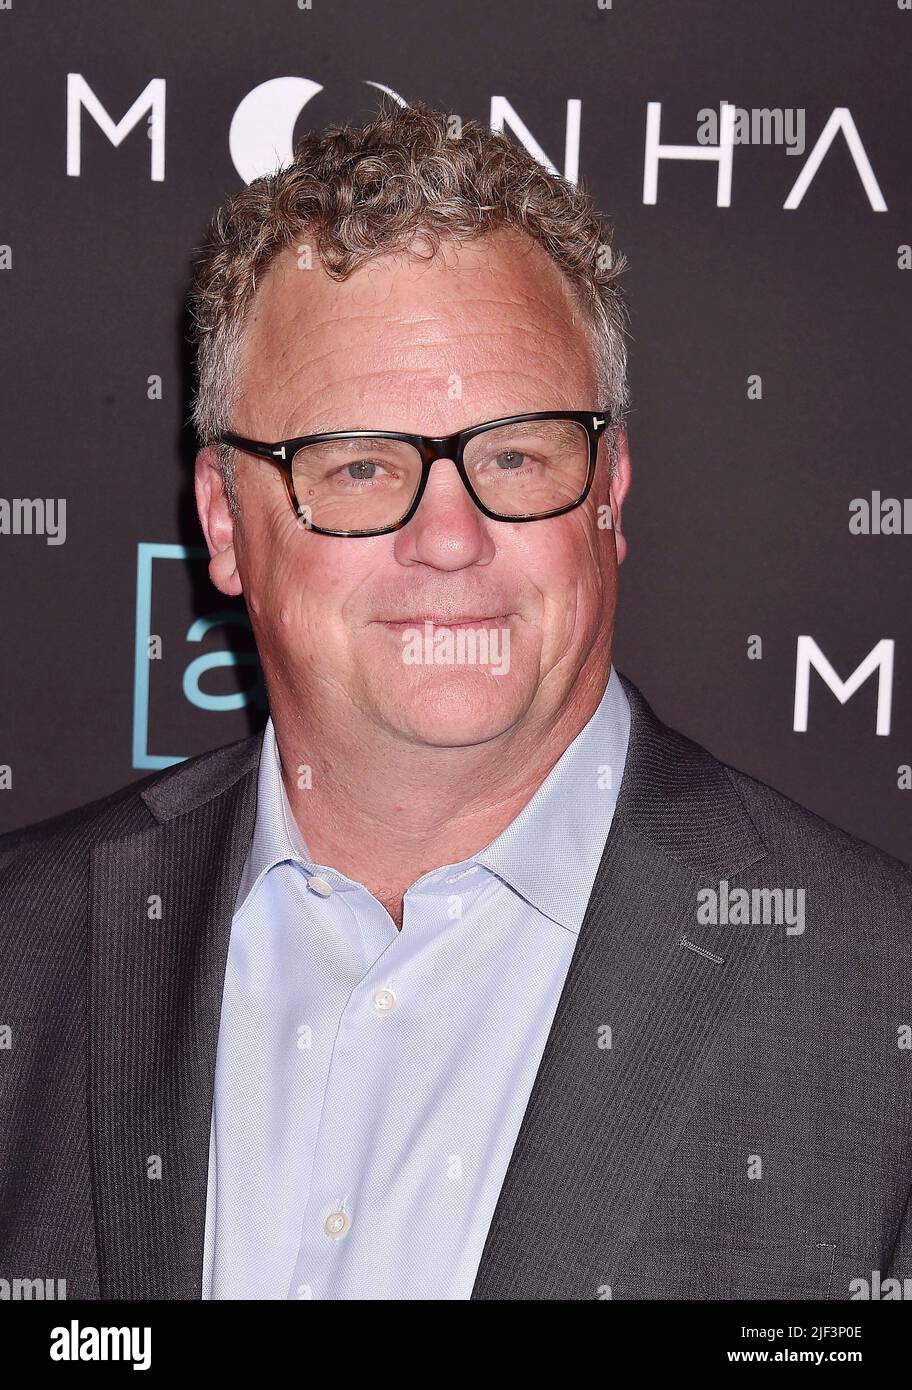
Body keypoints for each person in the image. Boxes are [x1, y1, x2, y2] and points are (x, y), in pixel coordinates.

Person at [1, 102, 910, 1302]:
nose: (448, 536)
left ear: (610, 492)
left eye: (516, 456)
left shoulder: (879, 1002)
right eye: (359, 464)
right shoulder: (26, 947)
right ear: (224, 521)